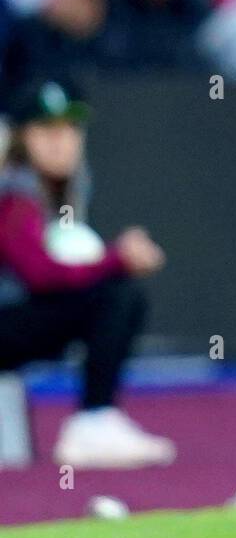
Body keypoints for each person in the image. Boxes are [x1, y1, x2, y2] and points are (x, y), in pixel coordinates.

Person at [0, 80, 173, 468]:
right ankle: (93, 420)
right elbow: (39, 274)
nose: (60, 141)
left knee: (115, 295)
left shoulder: (68, 187)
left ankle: (97, 418)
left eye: (69, 129)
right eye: (46, 130)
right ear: (21, 137)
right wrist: (116, 258)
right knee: (116, 296)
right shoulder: (15, 192)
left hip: (18, 319)